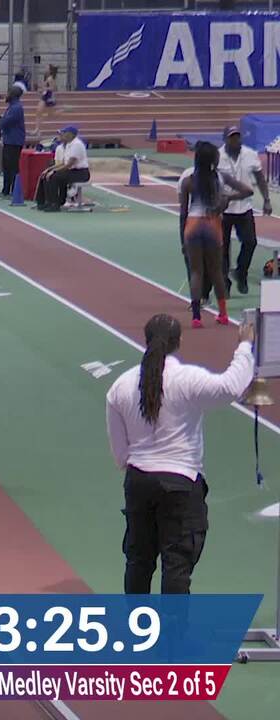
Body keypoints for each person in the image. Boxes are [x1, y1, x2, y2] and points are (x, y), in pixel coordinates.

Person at [105, 313, 255, 594]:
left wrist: (136, 464)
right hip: (181, 482)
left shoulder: (120, 386)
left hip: (138, 481)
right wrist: (245, 346)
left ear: (145, 339)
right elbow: (231, 387)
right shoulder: (187, 379)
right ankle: (173, 634)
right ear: (179, 341)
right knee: (177, 564)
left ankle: (137, 629)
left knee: (138, 560)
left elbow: (119, 451)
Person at [179, 142, 253, 328]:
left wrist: (182, 239)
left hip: (193, 224)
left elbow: (183, 213)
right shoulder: (221, 178)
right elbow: (248, 190)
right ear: (214, 159)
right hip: (213, 224)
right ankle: (223, 314)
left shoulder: (188, 180)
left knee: (196, 271)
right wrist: (228, 198)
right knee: (216, 271)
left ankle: (196, 317)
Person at [219, 127, 272, 295]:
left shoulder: (250, 154)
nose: (236, 141)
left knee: (250, 242)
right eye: (232, 138)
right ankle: (224, 283)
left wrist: (266, 200)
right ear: (225, 140)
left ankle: (241, 273)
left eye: (238, 137)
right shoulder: (218, 157)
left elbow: (260, 178)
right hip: (223, 210)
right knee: (222, 248)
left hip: (244, 208)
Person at [34, 126, 90, 212]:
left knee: (53, 177)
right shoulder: (68, 145)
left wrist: (54, 171)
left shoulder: (76, 144)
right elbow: (63, 162)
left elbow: (69, 164)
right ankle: (48, 202)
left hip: (80, 173)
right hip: (72, 171)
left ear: (71, 134)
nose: (62, 135)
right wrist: (50, 169)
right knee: (47, 176)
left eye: (64, 133)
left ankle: (55, 204)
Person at [0, 86, 26, 199]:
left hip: (14, 141)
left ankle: (13, 190)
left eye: (8, 93)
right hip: (9, 139)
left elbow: (7, 121)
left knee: (12, 167)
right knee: (6, 167)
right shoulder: (12, 106)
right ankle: (6, 190)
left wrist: (0, 122)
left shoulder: (16, 107)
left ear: (12, 94)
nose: (6, 95)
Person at [34, 66, 59, 137]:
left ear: (50, 70)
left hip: (49, 97)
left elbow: (53, 88)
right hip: (45, 97)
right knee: (38, 112)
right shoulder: (46, 77)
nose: (45, 69)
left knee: (51, 114)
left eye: (47, 68)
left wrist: (44, 88)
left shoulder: (50, 78)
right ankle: (37, 129)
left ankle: (65, 109)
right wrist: (41, 89)